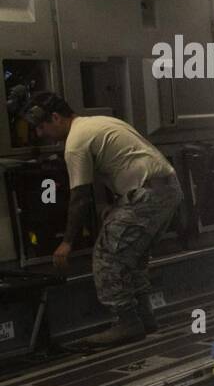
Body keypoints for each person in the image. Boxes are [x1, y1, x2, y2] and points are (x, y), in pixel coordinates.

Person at [23, 92, 183, 348]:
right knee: (132, 257)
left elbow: (80, 197)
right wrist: (111, 207)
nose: (41, 133)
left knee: (107, 256)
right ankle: (144, 317)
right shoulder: (97, 123)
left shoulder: (74, 142)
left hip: (145, 196)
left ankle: (126, 322)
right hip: (167, 190)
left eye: (42, 126)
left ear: (56, 117)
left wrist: (67, 243)